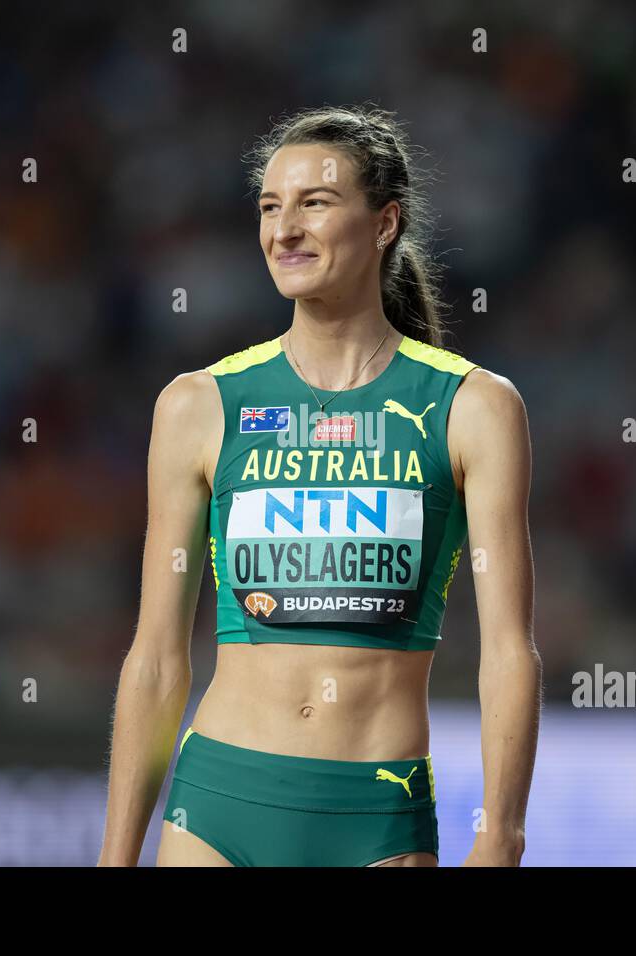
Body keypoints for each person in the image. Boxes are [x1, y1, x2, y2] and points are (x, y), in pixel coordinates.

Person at [98, 105, 539, 867]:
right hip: (216, 808)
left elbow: (508, 649)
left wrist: (500, 833)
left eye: (315, 203)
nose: (284, 229)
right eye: (270, 207)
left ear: (384, 224)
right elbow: (157, 658)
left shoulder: (473, 408)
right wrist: (114, 857)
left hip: (375, 815)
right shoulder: (199, 405)